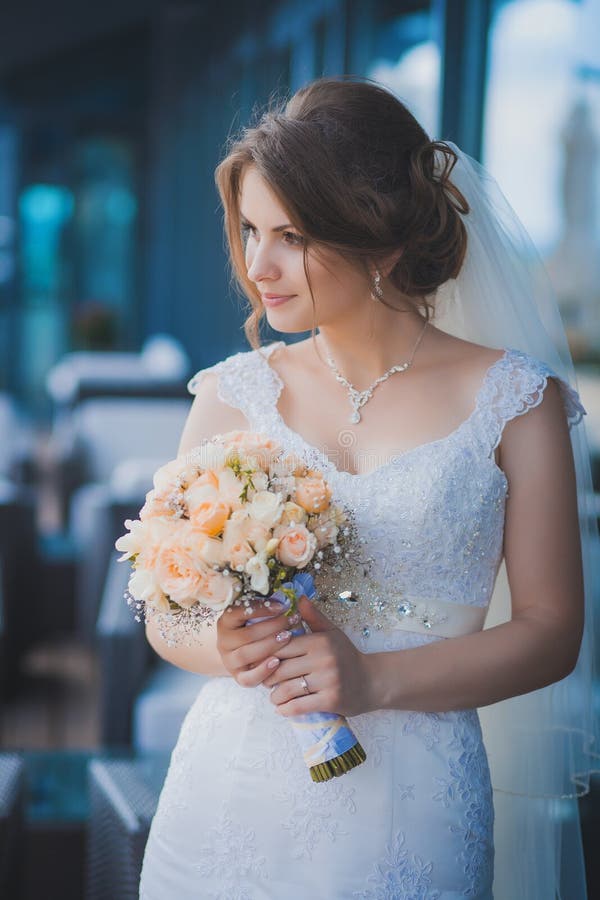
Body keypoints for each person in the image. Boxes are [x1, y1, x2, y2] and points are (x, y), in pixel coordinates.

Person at [138, 77, 597, 899]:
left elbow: (553, 630)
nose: (257, 264)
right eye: (249, 230)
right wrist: (222, 646)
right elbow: (166, 610)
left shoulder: (517, 402)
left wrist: (378, 682)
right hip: (228, 794)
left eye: (292, 236)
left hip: (415, 809)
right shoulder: (231, 393)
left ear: (381, 240)